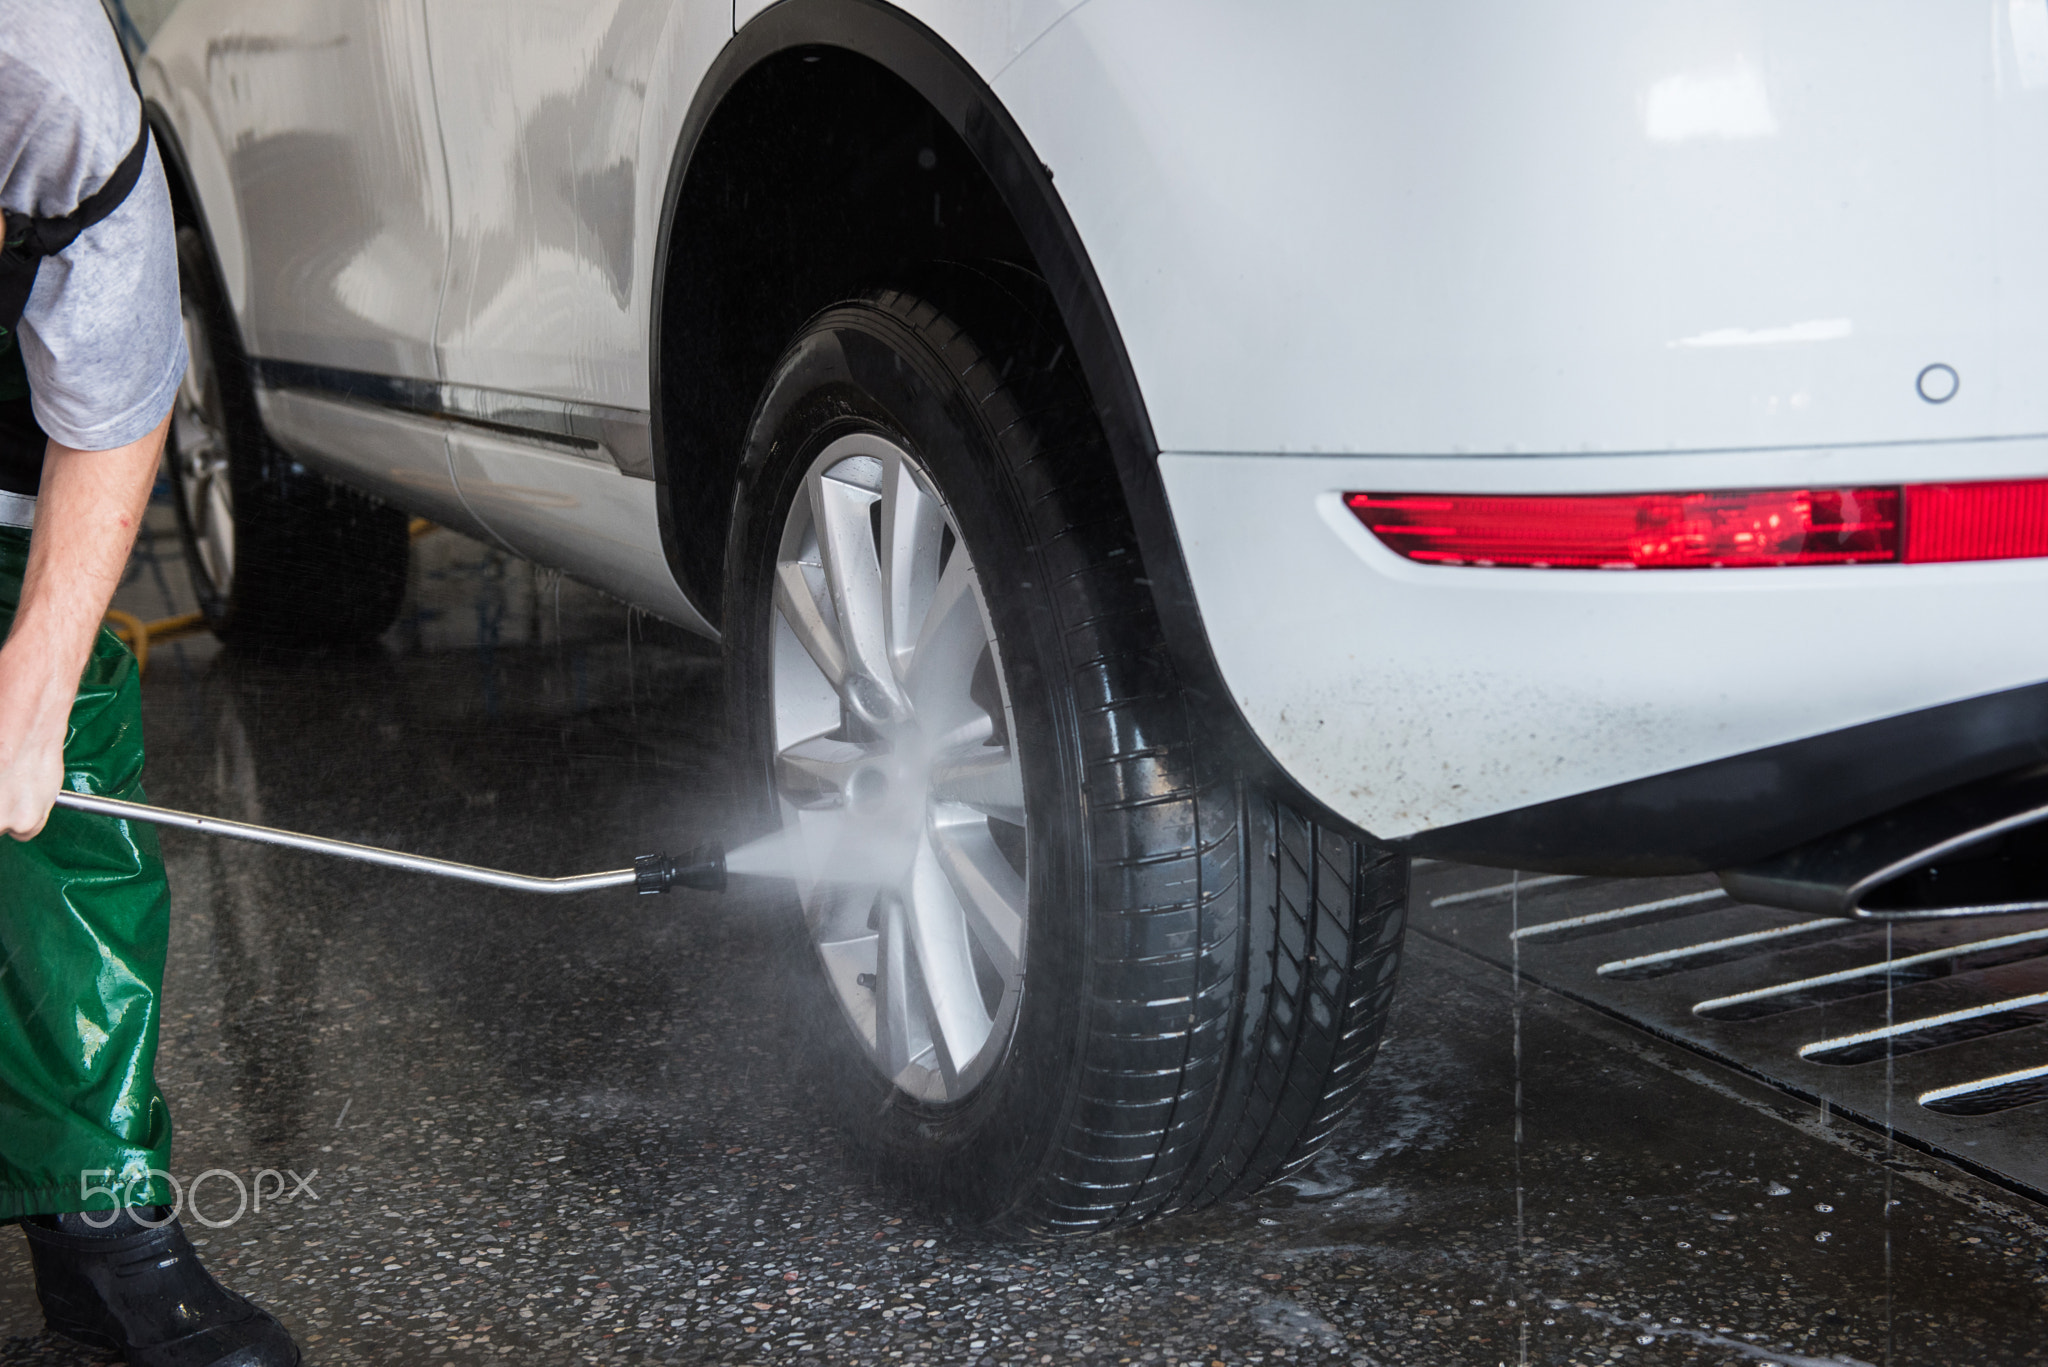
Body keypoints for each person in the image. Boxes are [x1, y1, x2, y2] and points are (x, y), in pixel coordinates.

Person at [0, 3, 299, 1363]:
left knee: (59, 748)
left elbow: (115, 398)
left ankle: (97, 1215)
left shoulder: (51, 85)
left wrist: (34, 685)